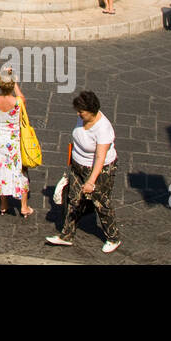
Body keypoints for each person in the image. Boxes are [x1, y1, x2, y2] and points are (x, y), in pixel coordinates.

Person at [46, 90, 121, 253]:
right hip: (77, 166)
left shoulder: (103, 128)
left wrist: (91, 181)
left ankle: (113, 237)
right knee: (74, 199)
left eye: (81, 111)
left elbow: (100, 157)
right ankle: (66, 235)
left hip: (99, 171)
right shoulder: (82, 118)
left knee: (101, 203)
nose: (78, 114)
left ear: (92, 111)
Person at [0, 66, 33, 217]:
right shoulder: (19, 101)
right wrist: (13, 79)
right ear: (12, 85)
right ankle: (23, 206)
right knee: (20, 170)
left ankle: (3, 204)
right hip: (14, 140)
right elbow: (21, 95)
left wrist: (2, 76)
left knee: (0, 168)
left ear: (0, 84)